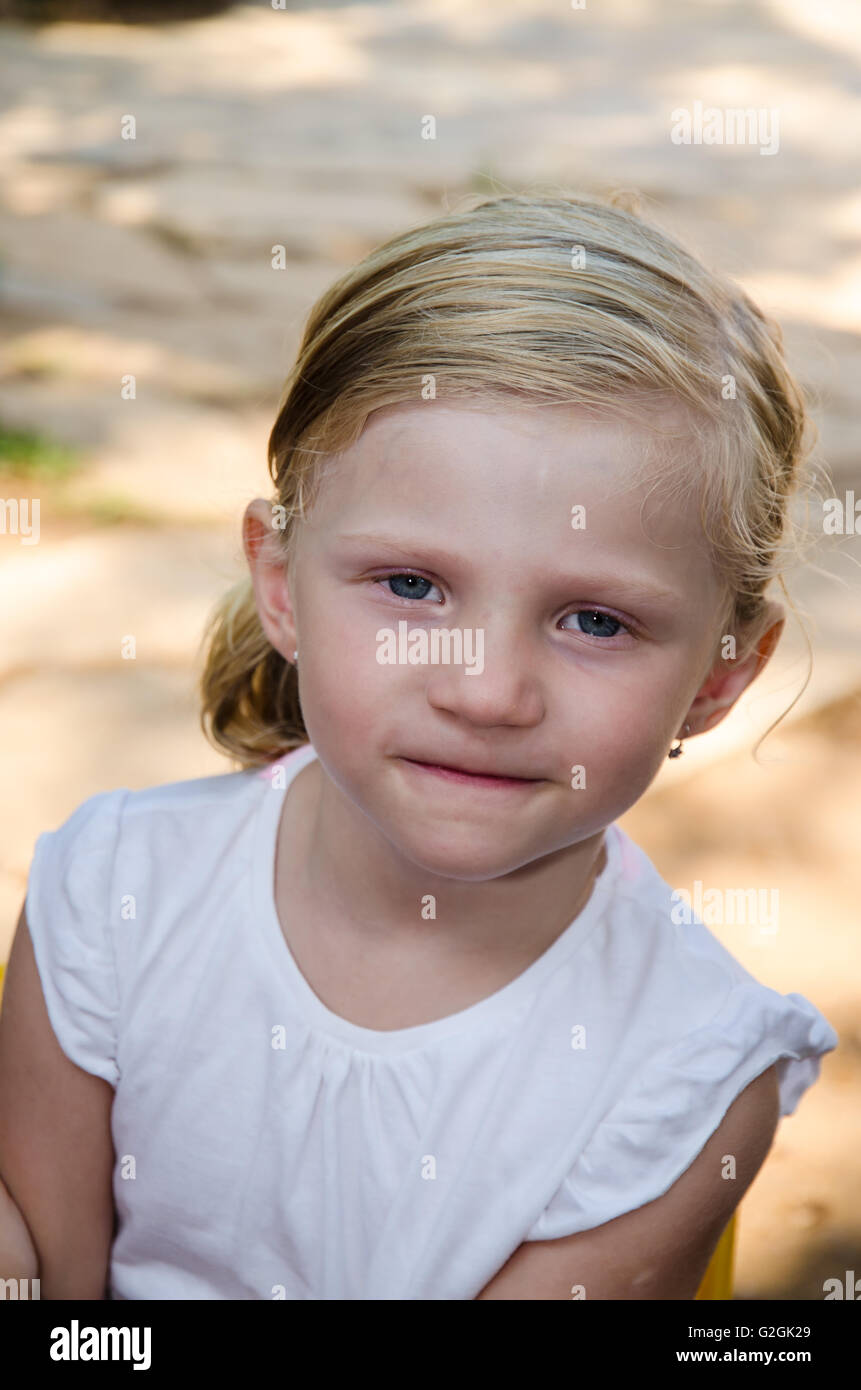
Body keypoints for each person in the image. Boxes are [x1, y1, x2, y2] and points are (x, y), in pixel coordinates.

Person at [0, 192, 838, 1300]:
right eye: (412, 586)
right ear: (281, 585)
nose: (489, 692)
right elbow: (58, 1292)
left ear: (722, 674)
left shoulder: (686, 1067)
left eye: (595, 620)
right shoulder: (111, 895)